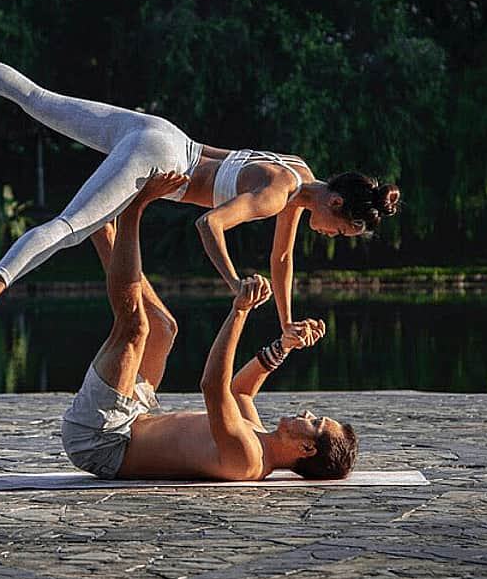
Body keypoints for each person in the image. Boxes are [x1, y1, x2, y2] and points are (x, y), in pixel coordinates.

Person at [0, 37, 400, 348]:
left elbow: (282, 258)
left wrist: (286, 323)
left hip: (165, 133)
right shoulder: (278, 196)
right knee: (71, 227)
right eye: (345, 228)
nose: (336, 235)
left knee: (38, 98)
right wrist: (235, 281)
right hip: (163, 159)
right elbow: (208, 224)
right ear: (336, 203)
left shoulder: (298, 173)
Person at [61, 169, 358, 481]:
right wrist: (284, 345)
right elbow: (240, 391)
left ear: (306, 448)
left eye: (316, 422)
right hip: (130, 420)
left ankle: (133, 209)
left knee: (136, 329)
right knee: (163, 327)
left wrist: (240, 311)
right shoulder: (256, 435)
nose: (308, 413)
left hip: (101, 439)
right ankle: (101, 228)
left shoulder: (248, 459)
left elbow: (214, 387)